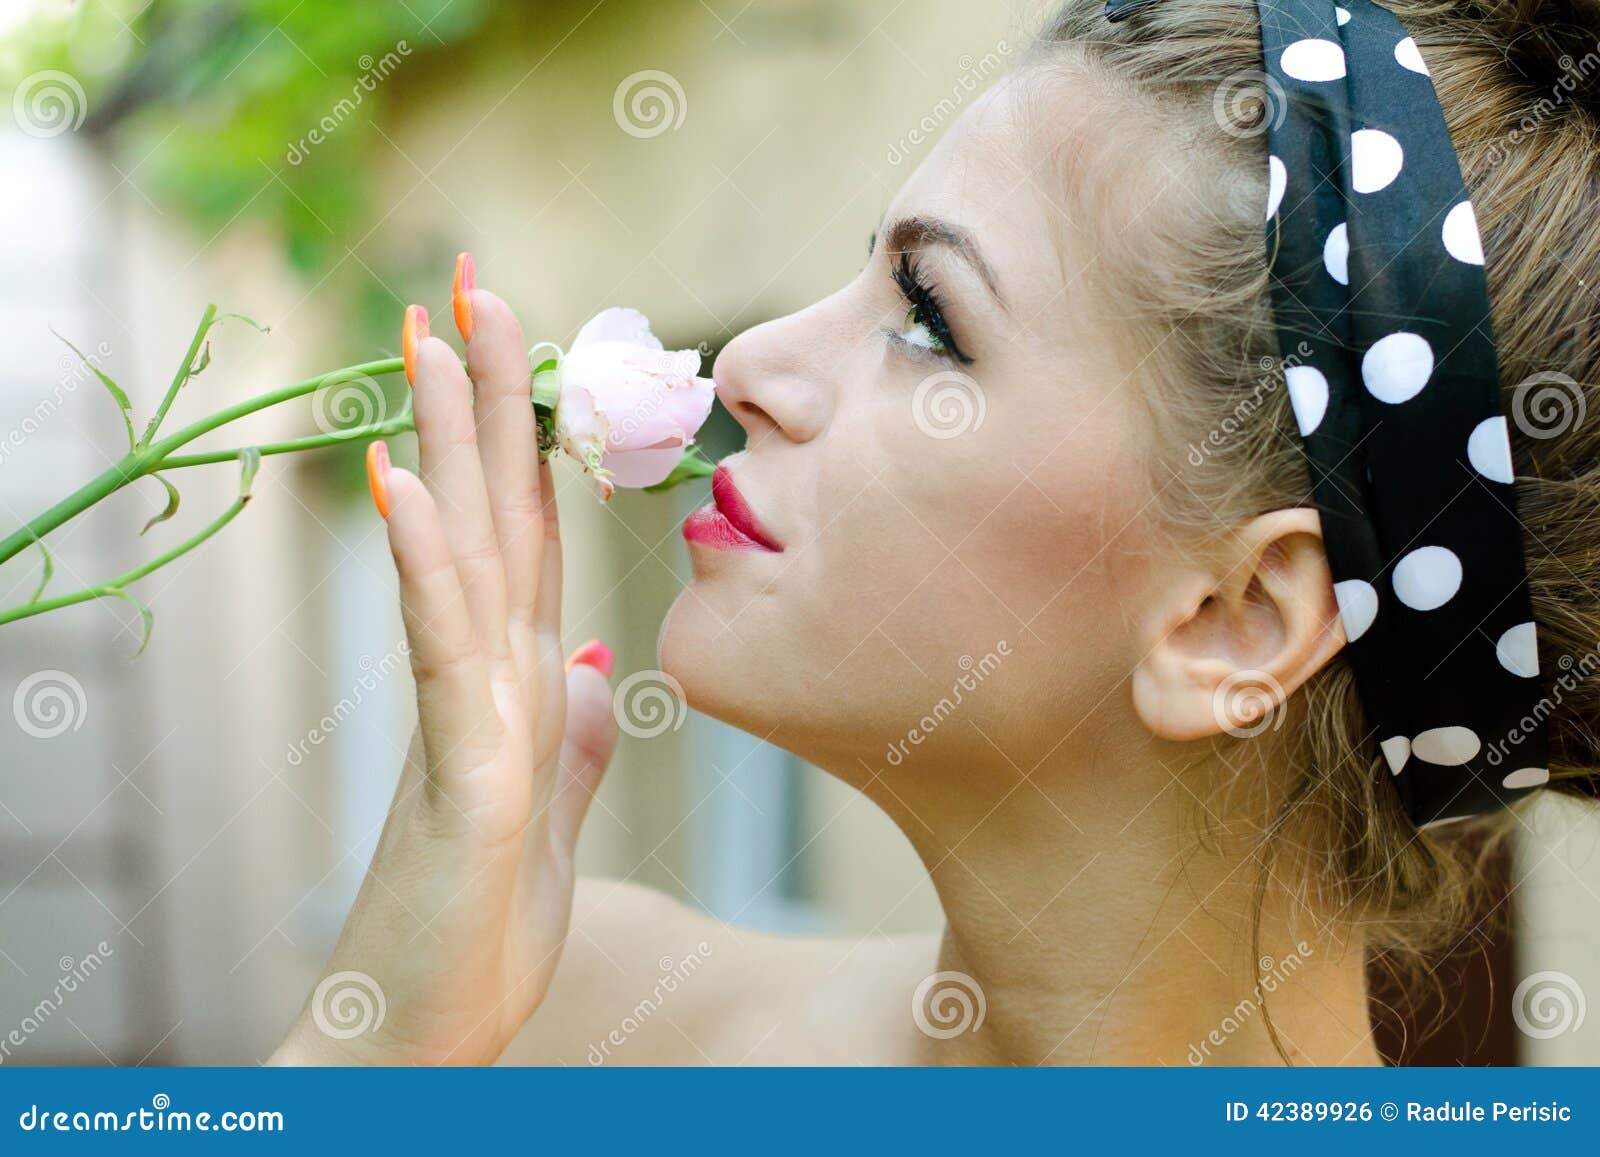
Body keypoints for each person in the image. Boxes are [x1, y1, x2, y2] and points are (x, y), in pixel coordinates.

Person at [271, 0, 1600, 1066]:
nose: (747, 368)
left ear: (1234, 619)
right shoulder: (575, 1009)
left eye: (930, 319)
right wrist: (387, 1037)